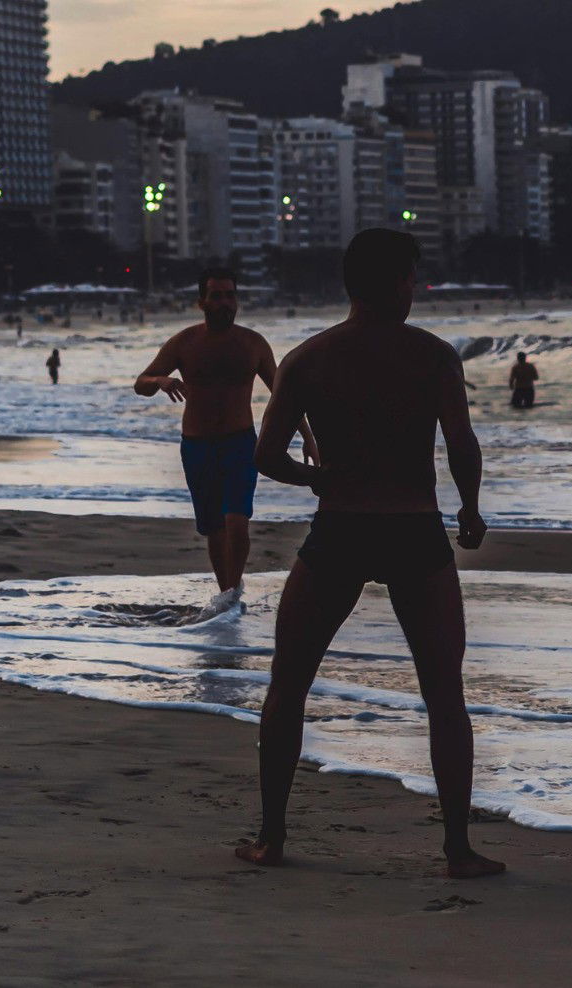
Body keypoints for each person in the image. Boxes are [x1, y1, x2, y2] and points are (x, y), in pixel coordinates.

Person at [236, 227, 503, 879]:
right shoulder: (434, 357)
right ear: (386, 284)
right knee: (444, 693)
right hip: (415, 531)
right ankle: (457, 849)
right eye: (409, 279)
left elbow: (266, 456)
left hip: (342, 530)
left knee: (288, 683)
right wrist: (469, 509)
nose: (414, 290)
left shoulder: (309, 359)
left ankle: (271, 837)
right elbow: (461, 444)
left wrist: (314, 479)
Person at [133, 269, 277, 616]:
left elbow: (284, 394)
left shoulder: (253, 343)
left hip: (240, 442)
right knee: (214, 527)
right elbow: (141, 382)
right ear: (202, 302)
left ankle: (232, 594)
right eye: (217, 296)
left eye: (230, 295)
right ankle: (227, 593)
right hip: (197, 445)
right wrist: (162, 380)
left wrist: (309, 437)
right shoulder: (184, 342)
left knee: (238, 522)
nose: (225, 302)